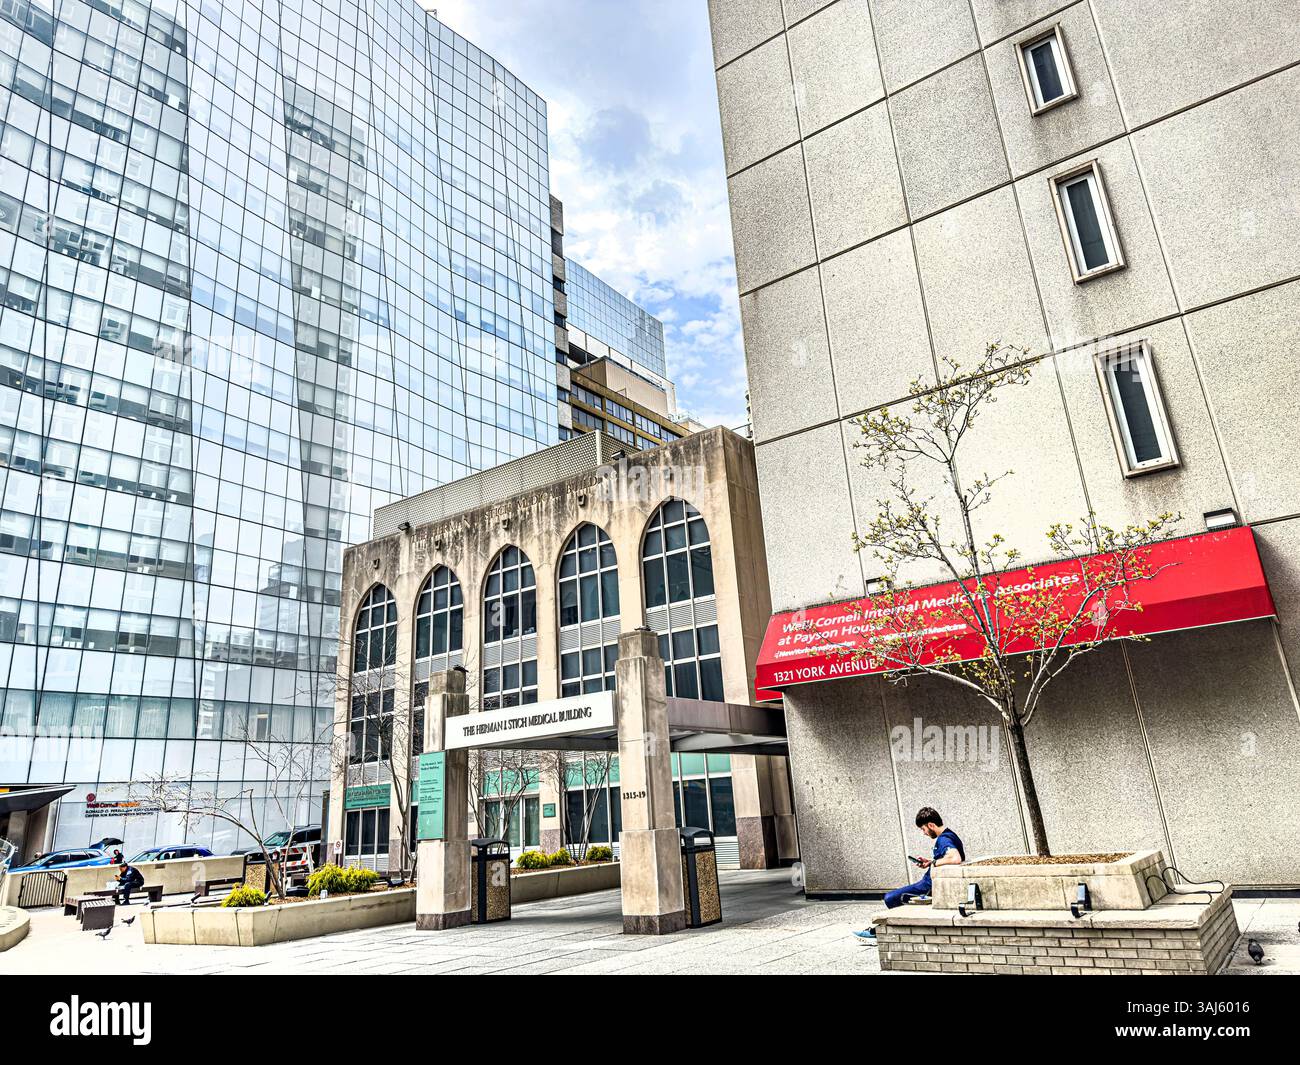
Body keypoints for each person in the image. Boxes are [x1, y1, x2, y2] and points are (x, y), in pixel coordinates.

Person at [855, 807, 964, 942]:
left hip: (928, 887)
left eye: (923, 829)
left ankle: (884, 934)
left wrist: (934, 864)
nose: (924, 833)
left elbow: (955, 858)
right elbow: (948, 858)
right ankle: (881, 931)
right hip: (928, 883)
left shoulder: (943, 839)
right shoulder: (950, 835)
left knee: (890, 898)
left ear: (931, 825)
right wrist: (930, 862)